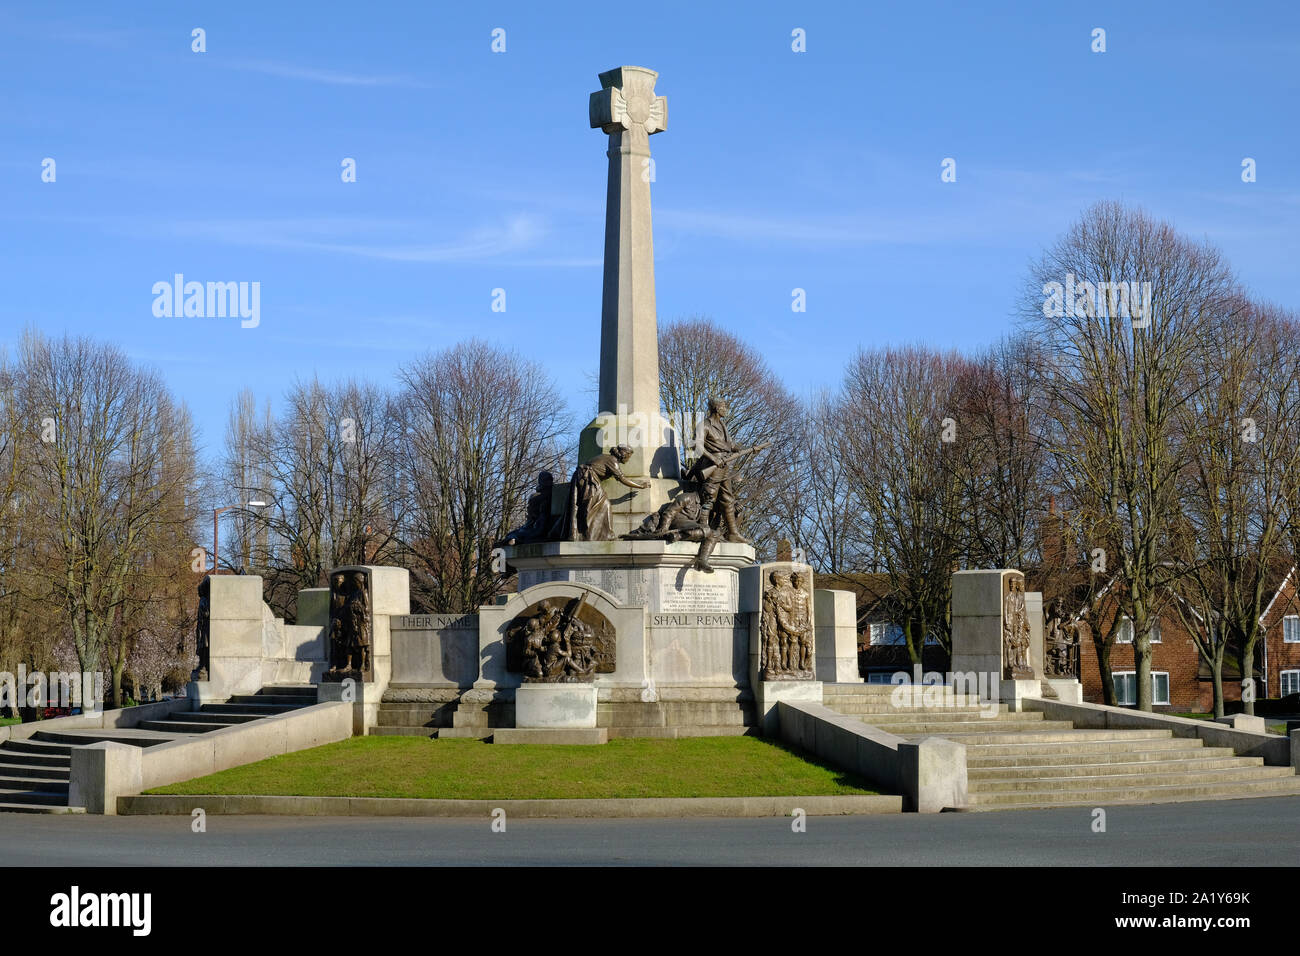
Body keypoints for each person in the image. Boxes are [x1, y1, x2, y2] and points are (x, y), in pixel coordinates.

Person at [563, 445, 649, 541]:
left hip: (584, 478)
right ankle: (594, 534)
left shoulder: (606, 457)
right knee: (603, 505)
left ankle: (590, 533)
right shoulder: (612, 461)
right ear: (625, 455)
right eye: (629, 456)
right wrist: (640, 486)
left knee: (596, 506)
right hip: (588, 480)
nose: (629, 460)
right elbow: (622, 479)